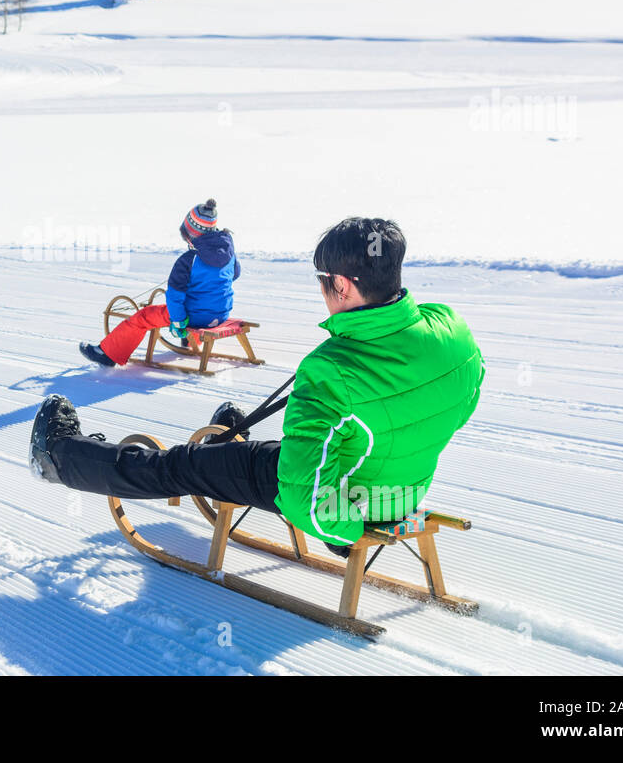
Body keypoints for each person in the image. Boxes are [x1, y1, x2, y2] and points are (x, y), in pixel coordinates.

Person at [34, 217, 484, 554]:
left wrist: (344, 534)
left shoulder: (330, 370)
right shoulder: (453, 331)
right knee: (334, 437)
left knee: (181, 466)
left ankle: (61, 457)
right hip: (400, 492)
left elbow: (303, 497)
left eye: (324, 282)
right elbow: (457, 404)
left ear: (343, 286)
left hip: (341, 508)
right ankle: (230, 451)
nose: (322, 291)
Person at [80, 199, 241, 367]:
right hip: (221, 314)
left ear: (191, 233)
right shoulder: (229, 253)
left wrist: (178, 321)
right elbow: (234, 274)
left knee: (144, 316)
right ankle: (191, 340)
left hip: (195, 317)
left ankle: (108, 354)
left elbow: (174, 296)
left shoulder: (189, 259)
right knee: (201, 302)